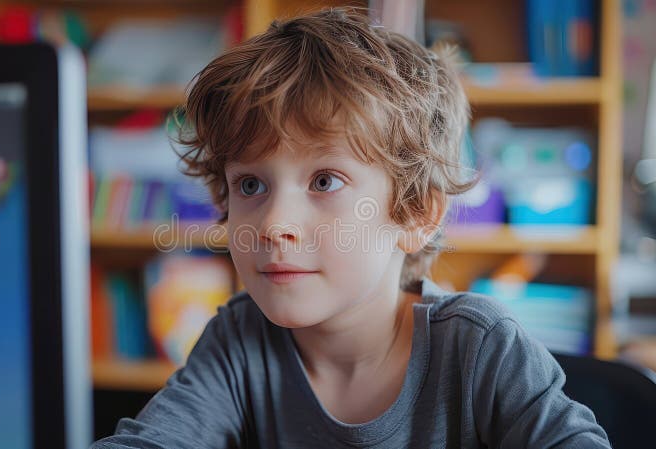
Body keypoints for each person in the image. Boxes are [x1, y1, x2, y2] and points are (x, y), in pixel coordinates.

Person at [92, 7, 611, 449]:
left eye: (324, 181)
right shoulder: (239, 338)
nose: (273, 225)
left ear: (415, 214)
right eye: (250, 185)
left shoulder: (480, 347)